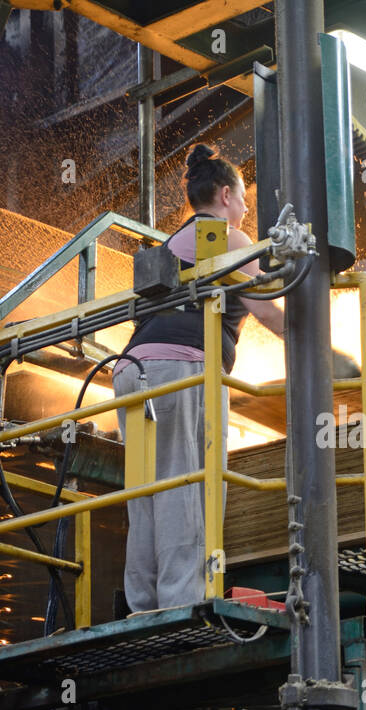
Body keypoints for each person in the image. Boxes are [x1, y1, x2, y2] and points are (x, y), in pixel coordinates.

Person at [113, 143, 284, 613]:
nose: (247, 207)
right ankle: (182, 605)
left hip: (133, 371)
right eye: (244, 197)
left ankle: (145, 605)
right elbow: (267, 308)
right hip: (181, 369)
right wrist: (320, 347)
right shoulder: (226, 236)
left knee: (147, 492)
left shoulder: (176, 243)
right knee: (188, 485)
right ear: (225, 194)